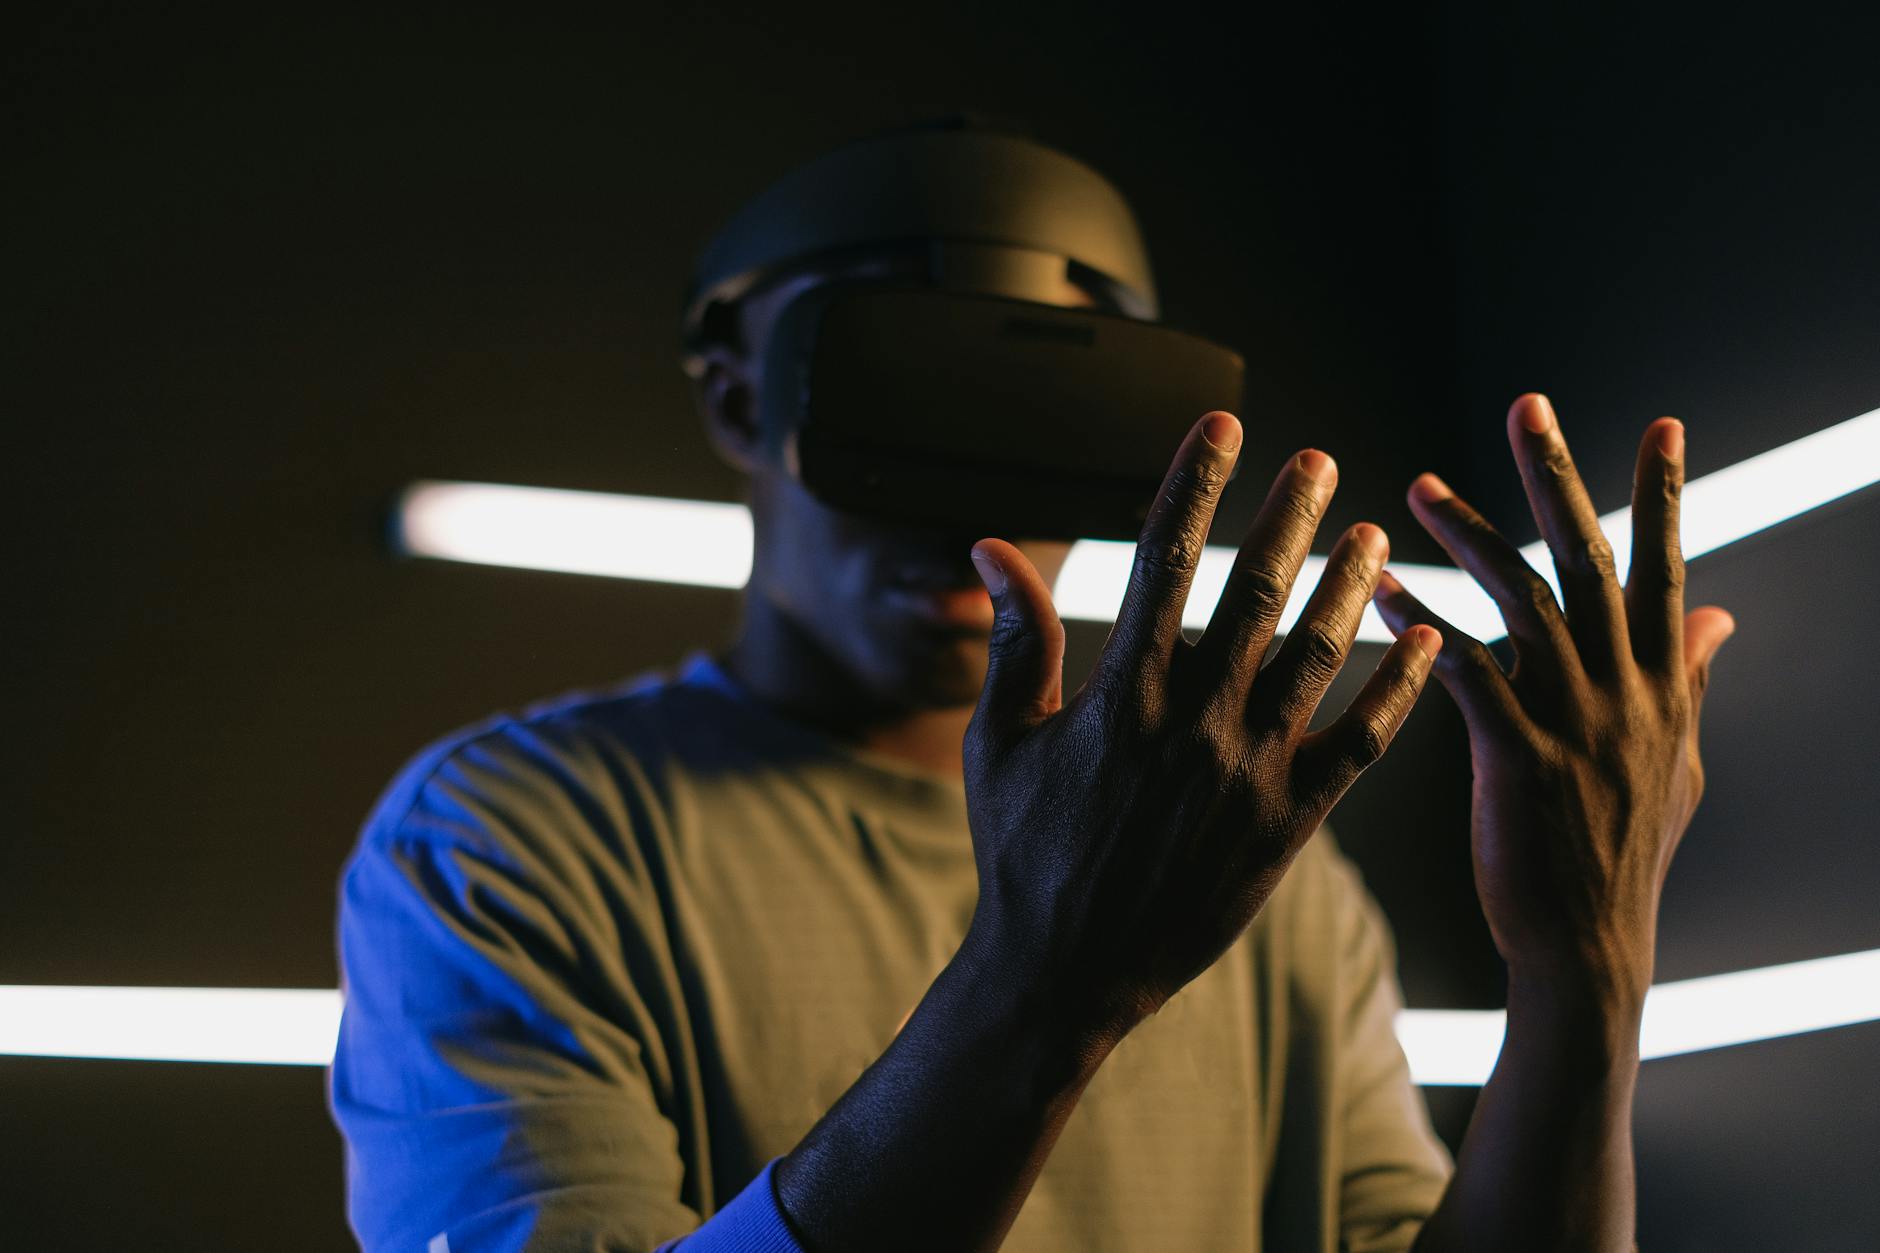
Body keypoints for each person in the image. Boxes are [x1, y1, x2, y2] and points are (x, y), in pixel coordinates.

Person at [328, 116, 1737, 1252]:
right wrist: (1046, 981)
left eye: (1038, 419)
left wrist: (1582, 980)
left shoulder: (1258, 873)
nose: (966, 513)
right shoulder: (502, 840)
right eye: (900, 408)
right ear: (740, 399)